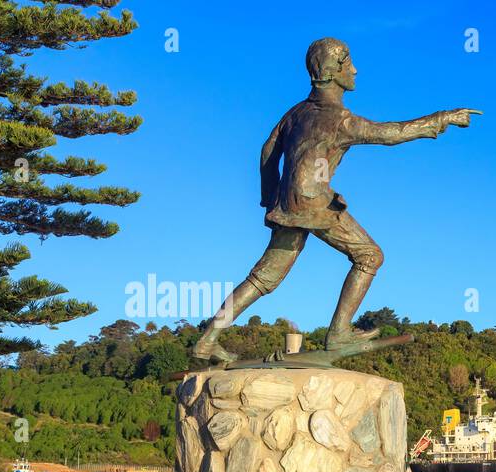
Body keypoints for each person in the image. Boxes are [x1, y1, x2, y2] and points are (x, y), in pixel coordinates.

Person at [193, 37, 479, 364]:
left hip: (290, 204)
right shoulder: (340, 120)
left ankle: (208, 339)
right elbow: (393, 133)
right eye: (349, 64)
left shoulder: (296, 113)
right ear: (332, 71)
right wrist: (443, 118)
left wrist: (271, 198)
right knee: (370, 256)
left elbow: (267, 153)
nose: (355, 70)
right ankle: (339, 332)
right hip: (314, 202)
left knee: (263, 278)